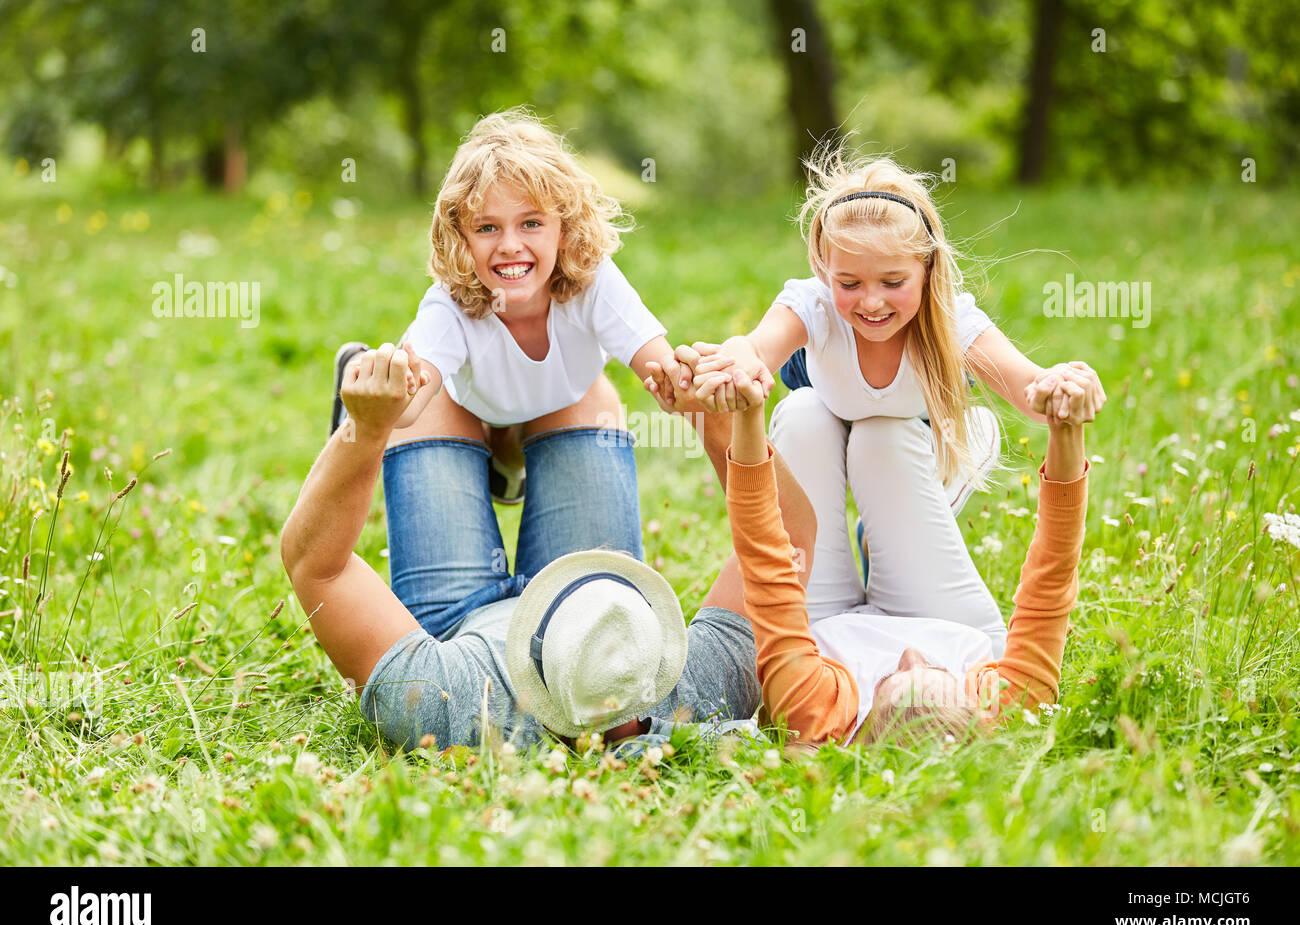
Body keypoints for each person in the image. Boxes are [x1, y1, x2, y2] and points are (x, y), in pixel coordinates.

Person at [674, 144, 1105, 657]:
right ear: (822, 268)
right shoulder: (811, 303)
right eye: (849, 283)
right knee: (802, 414)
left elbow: (1030, 388)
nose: (871, 301)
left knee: (881, 437)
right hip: (829, 412)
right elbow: (756, 347)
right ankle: (826, 602)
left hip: (915, 433)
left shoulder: (951, 321)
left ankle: (941, 478)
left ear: (927, 270)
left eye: (893, 282)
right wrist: (730, 364)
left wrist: (1063, 385)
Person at [282, 342, 815, 751]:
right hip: (568, 596)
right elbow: (787, 538)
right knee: (579, 386)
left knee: (430, 401)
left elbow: (316, 563)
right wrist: (716, 422)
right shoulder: (695, 693)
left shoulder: (451, 703)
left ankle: (477, 422)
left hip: (458, 618)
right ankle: (513, 423)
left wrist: (367, 429)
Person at [692, 357, 1094, 750]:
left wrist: (747, 418)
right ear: (973, 710)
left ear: (864, 726)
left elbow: (767, 561)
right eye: (936, 669)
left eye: (892, 676)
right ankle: (946, 459)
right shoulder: (1008, 703)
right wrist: (1067, 430)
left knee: (803, 415)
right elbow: (1051, 579)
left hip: (825, 629)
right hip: (943, 619)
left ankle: (886, 533)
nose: (910, 653)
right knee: (880, 435)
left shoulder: (812, 710)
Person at [330, 108, 685, 508]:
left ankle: (506, 448)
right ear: (461, 239)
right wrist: (379, 397)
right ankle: (356, 379)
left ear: (565, 230)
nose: (510, 245)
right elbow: (407, 410)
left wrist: (682, 383)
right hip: (470, 400)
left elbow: (660, 367)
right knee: (440, 405)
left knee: (517, 424)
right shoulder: (449, 307)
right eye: (487, 228)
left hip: (549, 400)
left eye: (531, 223)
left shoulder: (594, 283)